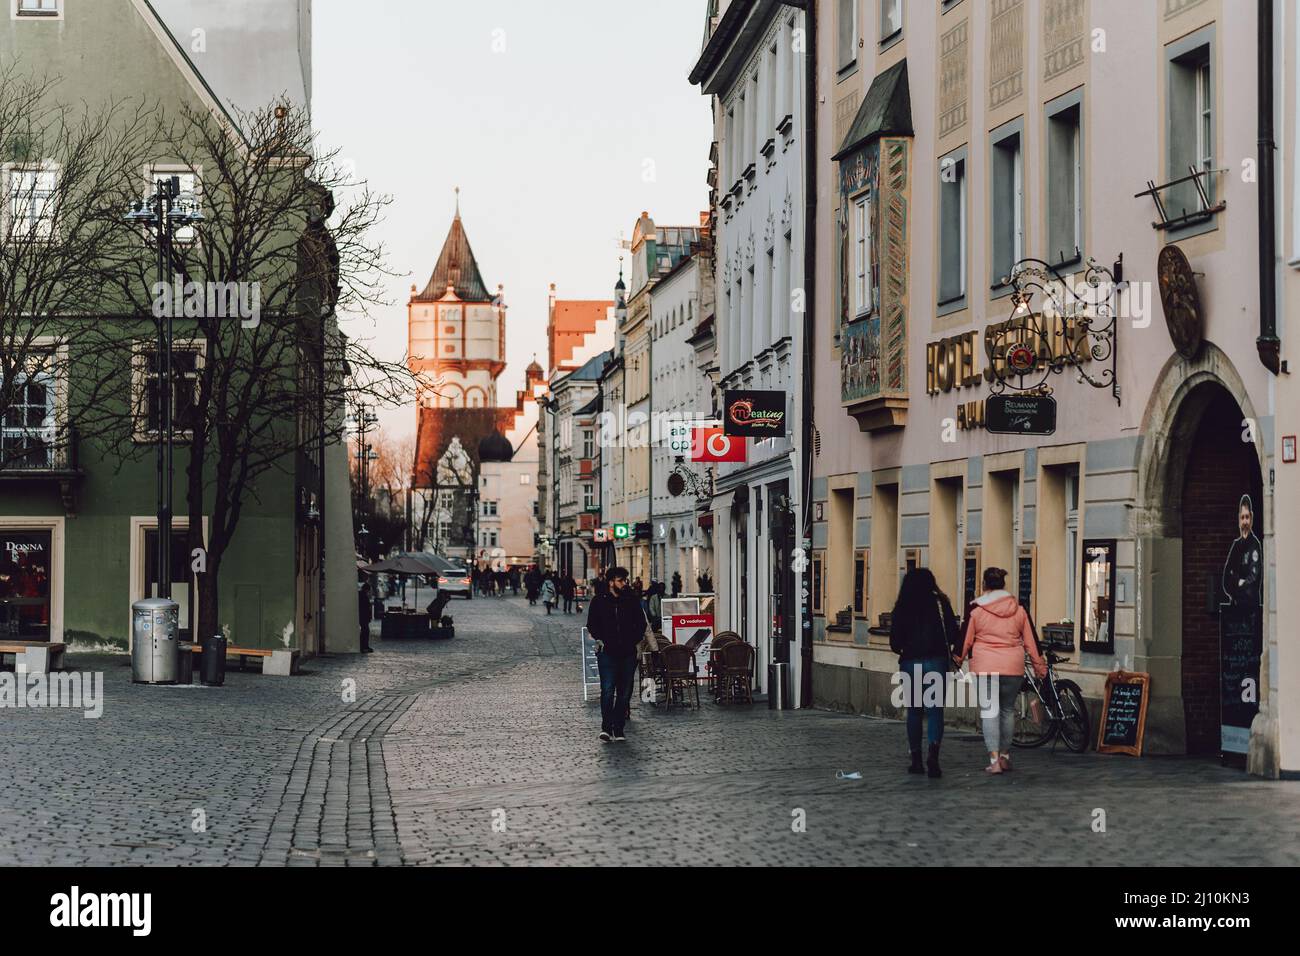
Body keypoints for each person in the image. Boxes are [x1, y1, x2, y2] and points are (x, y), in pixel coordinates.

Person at [956, 567, 1047, 774]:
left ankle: (994, 760)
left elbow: (965, 640)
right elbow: (1031, 642)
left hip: (985, 666)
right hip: (1012, 667)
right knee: (1007, 711)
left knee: (990, 712)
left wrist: (957, 660)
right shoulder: (1019, 608)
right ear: (1003, 585)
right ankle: (1005, 756)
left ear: (984, 585)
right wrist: (1039, 667)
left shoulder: (976, 609)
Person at [889, 568, 959, 777]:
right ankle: (933, 756)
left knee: (914, 711)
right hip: (936, 661)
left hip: (911, 663)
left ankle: (916, 760)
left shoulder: (902, 606)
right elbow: (953, 634)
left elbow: (895, 642)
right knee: (935, 710)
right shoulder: (940, 603)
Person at [585, 566, 646, 742]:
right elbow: (592, 624)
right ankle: (606, 727)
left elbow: (641, 623)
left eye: (625, 580)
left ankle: (619, 728)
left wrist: (633, 639)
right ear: (611, 582)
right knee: (607, 690)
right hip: (607, 653)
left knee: (624, 693)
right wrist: (602, 639)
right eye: (621, 580)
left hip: (627, 653)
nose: (624, 583)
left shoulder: (632, 600)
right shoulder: (599, 601)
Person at [358, 577, 374, 654]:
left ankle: (364, 646)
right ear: (367, 589)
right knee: (365, 631)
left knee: (365, 631)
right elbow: (365, 608)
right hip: (363, 617)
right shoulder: (363, 596)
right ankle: (363, 646)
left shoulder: (361, 595)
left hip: (363, 617)